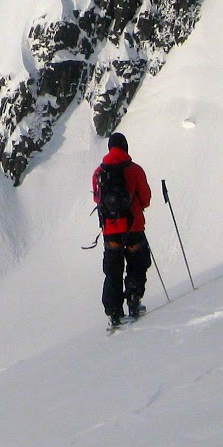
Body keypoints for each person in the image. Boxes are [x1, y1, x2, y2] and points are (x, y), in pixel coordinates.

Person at [92, 131, 153, 328]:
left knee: (113, 270)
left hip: (111, 231)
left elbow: (97, 199)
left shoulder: (99, 173)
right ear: (125, 148)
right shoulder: (135, 170)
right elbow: (146, 199)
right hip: (134, 226)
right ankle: (134, 301)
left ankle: (114, 312)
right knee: (137, 263)